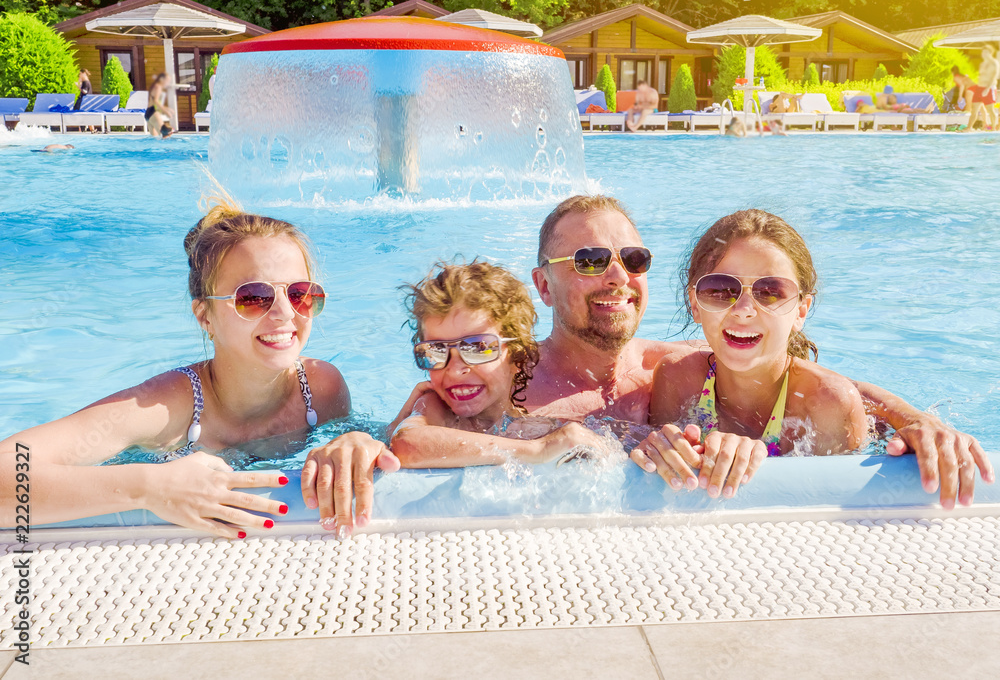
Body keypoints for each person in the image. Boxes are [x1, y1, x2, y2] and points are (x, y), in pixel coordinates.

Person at [319, 195, 993, 526]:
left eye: (632, 259)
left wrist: (914, 419)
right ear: (544, 284)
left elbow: (796, 375)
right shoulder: (501, 375)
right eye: (589, 261)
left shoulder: (674, 366)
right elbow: (414, 428)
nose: (616, 276)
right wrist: (353, 440)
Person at [0, 194, 361, 537]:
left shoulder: (321, 390)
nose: (285, 313)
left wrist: (355, 444)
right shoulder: (165, 408)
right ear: (205, 316)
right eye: (254, 297)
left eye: (300, 293)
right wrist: (151, 487)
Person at [636, 210, 869, 497]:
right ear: (695, 304)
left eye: (770, 291)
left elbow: (839, 511)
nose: (743, 309)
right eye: (721, 289)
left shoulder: (827, 405)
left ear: (800, 310)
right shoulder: (677, 379)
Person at [387, 261, 611, 468]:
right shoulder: (436, 408)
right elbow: (407, 444)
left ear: (516, 355)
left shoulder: (539, 428)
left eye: (476, 348)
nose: (455, 370)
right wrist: (537, 450)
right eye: (436, 351)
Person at [965, 46, 999, 131]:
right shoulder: (982, 64)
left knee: (990, 110)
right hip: (979, 88)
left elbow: (993, 77)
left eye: (986, 52)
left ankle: (993, 129)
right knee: (974, 110)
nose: (983, 54)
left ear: (990, 53)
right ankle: (969, 128)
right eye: (983, 52)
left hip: (989, 88)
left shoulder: (994, 63)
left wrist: (987, 89)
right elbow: (981, 77)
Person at [146, 73, 176, 138]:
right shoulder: (158, 87)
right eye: (167, 80)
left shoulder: (155, 86)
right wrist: (166, 111)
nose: (168, 83)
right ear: (161, 79)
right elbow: (156, 101)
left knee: (154, 139)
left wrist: (168, 109)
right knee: (165, 136)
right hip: (153, 113)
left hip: (149, 113)